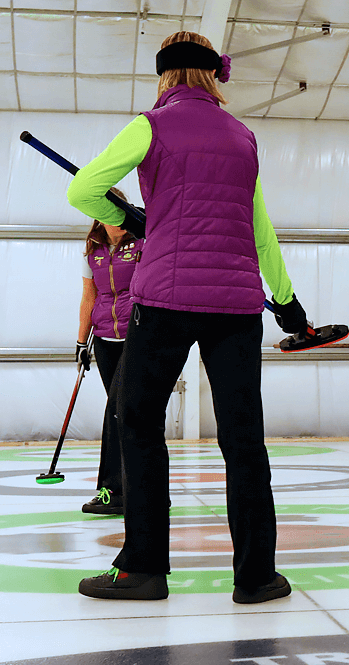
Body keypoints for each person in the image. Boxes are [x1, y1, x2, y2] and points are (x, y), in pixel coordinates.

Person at [66, 30, 319, 604]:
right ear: (213, 75)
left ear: (165, 75)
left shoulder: (150, 125)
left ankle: (143, 567)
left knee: (138, 422)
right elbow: (260, 230)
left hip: (164, 300)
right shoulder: (243, 137)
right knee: (242, 440)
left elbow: (84, 190)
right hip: (235, 306)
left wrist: (128, 219)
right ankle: (256, 576)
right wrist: (287, 302)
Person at [77, 190, 140, 516]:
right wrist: (80, 341)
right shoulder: (92, 250)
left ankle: (113, 490)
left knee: (117, 409)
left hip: (136, 336)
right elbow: (89, 297)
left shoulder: (142, 241)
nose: (114, 222)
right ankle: (138, 490)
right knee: (125, 412)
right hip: (103, 339)